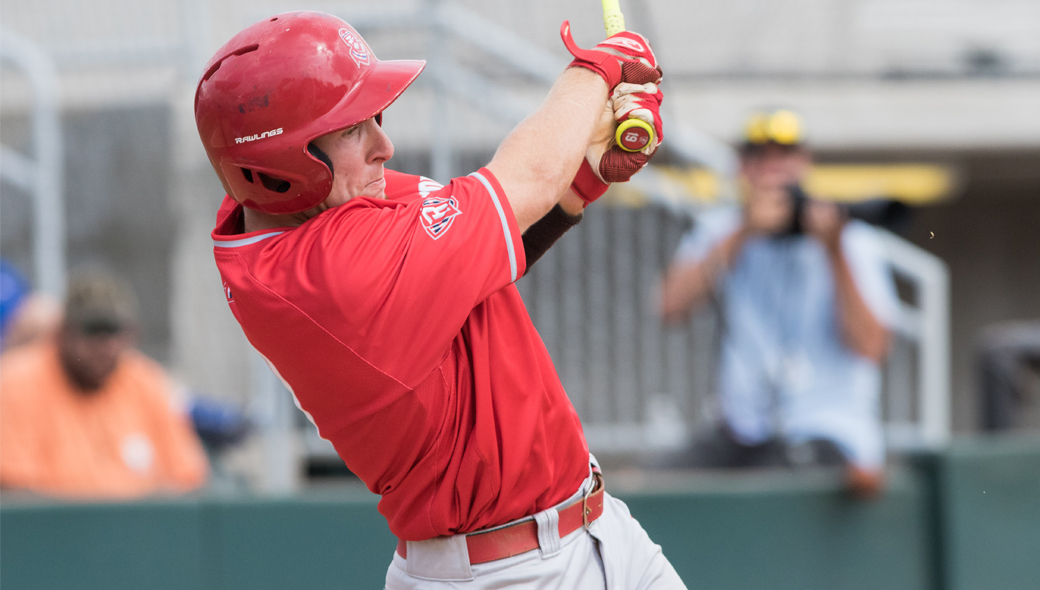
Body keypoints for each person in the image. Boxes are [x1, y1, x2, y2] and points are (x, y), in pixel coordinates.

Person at [194, 11, 683, 589]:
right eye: (353, 128)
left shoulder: (306, 206)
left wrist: (578, 177)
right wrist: (598, 70)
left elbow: (487, 242)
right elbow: (521, 182)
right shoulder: (331, 277)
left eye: (374, 118)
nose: (384, 145)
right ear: (278, 166)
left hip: (597, 530)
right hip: (507, 572)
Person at [658, 110, 900, 498]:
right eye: (759, 157)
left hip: (825, 431)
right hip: (742, 431)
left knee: (764, 491)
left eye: (784, 156)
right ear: (741, 168)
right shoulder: (723, 229)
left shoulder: (852, 240)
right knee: (646, 492)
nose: (772, 169)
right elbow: (670, 307)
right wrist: (744, 231)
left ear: (805, 162)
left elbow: (872, 347)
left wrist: (832, 251)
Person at [0, 271, 208, 499]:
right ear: (62, 334)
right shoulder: (16, 381)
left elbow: (187, 478)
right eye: (92, 331)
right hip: (53, 530)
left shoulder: (146, 381)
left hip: (137, 529)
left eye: (114, 332)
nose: (105, 347)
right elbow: (15, 492)